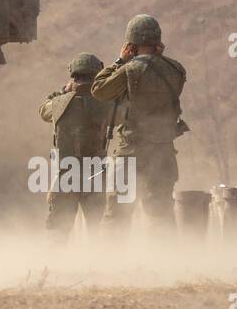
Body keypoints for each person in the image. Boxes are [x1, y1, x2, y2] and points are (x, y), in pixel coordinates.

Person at [91, 14, 188, 236]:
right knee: (161, 212)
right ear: (158, 41)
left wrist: (120, 61)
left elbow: (99, 90)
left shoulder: (129, 70)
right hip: (163, 151)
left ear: (131, 45)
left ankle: (110, 264)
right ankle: (167, 262)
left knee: (118, 213)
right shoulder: (177, 70)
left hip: (131, 151)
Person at [39, 53, 114, 244]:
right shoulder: (107, 104)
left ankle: (56, 270)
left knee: (58, 229)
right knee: (97, 228)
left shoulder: (58, 103)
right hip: (95, 172)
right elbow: (122, 114)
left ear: (73, 75)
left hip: (65, 174)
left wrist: (62, 91)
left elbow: (43, 111)